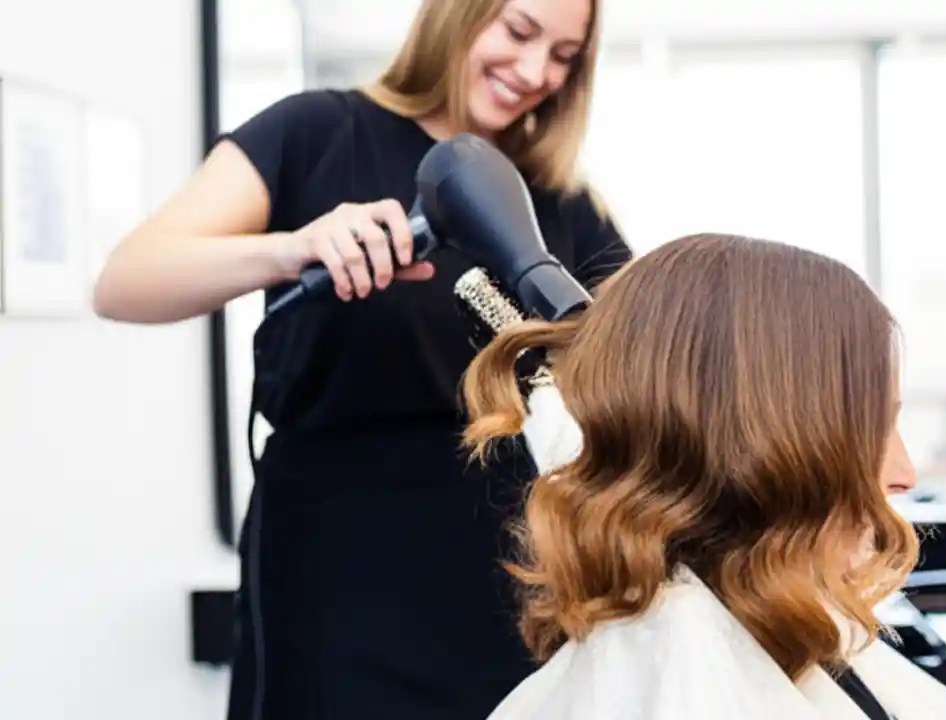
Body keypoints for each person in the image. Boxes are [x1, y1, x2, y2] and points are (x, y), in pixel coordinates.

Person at [92, 0, 630, 718]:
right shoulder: (315, 134)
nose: (536, 71)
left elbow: (637, 360)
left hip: (507, 576)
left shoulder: (563, 205)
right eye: (519, 31)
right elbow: (125, 282)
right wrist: (292, 248)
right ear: (457, 15)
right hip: (330, 573)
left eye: (564, 56)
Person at [461, 234, 946, 719]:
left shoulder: (766, 637)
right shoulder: (685, 678)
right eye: (874, 429)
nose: (904, 473)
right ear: (767, 446)